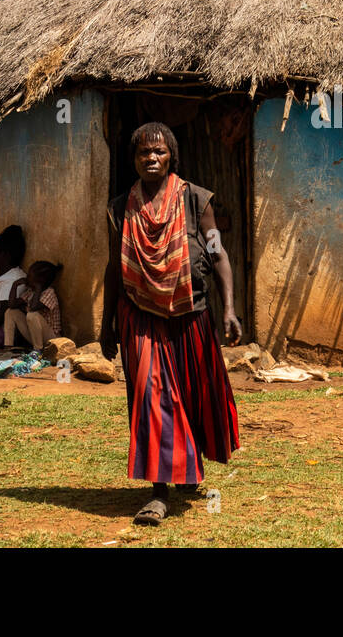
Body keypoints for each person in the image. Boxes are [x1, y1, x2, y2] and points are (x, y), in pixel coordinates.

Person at [100, 122, 241, 526]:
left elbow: (218, 255)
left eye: (158, 152)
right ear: (134, 159)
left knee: (193, 393)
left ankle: (186, 466)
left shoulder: (197, 201)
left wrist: (229, 308)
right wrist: (107, 323)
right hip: (138, 315)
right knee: (151, 395)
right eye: (143, 152)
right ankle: (159, 492)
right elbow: (114, 267)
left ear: (170, 157)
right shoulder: (118, 208)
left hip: (191, 312)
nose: (151, 158)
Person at [3, 260, 63, 350]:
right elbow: (12, 305)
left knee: (32, 315)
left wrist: (38, 288)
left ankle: (37, 351)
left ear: (40, 281)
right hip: (35, 336)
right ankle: (8, 347)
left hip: (51, 339)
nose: (27, 278)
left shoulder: (49, 293)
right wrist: (15, 285)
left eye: (29, 276)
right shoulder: (31, 292)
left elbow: (33, 308)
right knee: (10, 312)